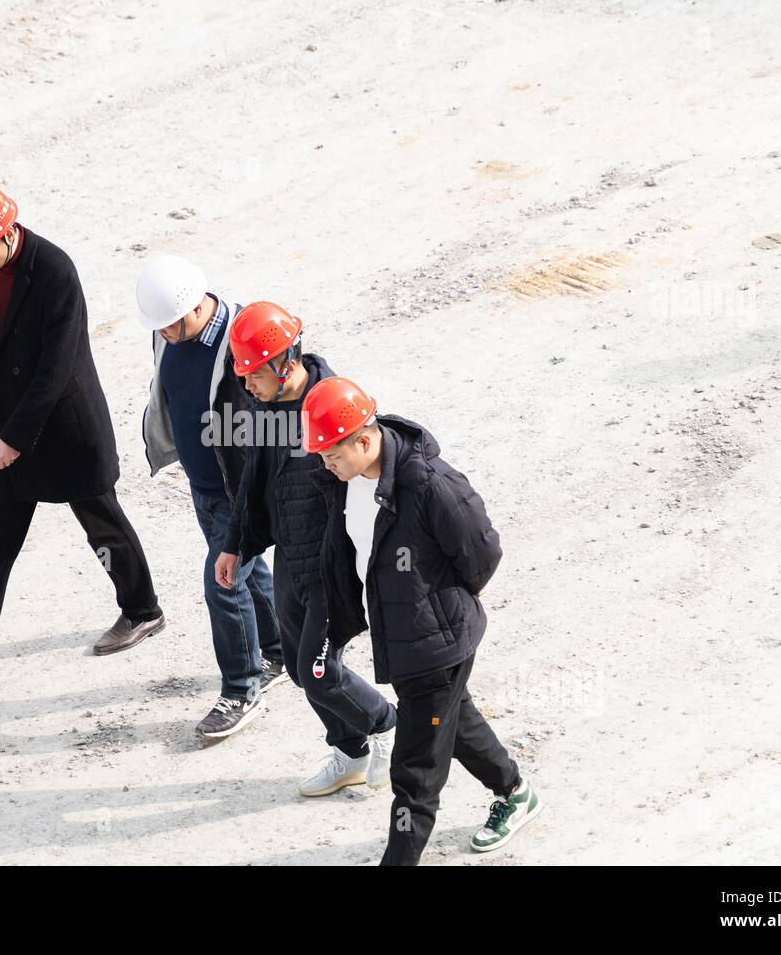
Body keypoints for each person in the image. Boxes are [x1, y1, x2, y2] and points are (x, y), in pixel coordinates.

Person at [0, 183, 165, 680]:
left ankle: (142, 610)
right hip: (10, 425)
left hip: (63, 430)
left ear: (7, 233)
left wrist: (14, 439)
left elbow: (56, 366)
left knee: (101, 523)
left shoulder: (54, 270)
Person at [305, 376, 541, 864]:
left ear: (365, 441)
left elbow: (483, 551)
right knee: (454, 722)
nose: (324, 464)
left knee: (414, 770)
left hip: (437, 644)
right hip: (403, 636)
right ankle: (515, 791)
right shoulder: (347, 480)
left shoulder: (428, 482)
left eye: (332, 454)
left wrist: (438, 605)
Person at [216, 303, 396, 796]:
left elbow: (374, 478)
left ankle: (387, 724)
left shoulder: (332, 408)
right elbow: (254, 477)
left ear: (283, 363)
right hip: (290, 559)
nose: (246, 385)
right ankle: (350, 751)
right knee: (299, 669)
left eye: (252, 374)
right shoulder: (265, 405)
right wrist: (236, 545)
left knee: (318, 670)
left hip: (331, 566)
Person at [138, 256, 283, 739]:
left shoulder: (243, 341)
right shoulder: (167, 330)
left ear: (195, 309)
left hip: (237, 494)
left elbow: (270, 418)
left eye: (170, 328)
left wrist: (254, 498)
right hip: (203, 487)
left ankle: (241, 689)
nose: (163, 336)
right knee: (248, 570)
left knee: (223, 583)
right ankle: (279, 650)